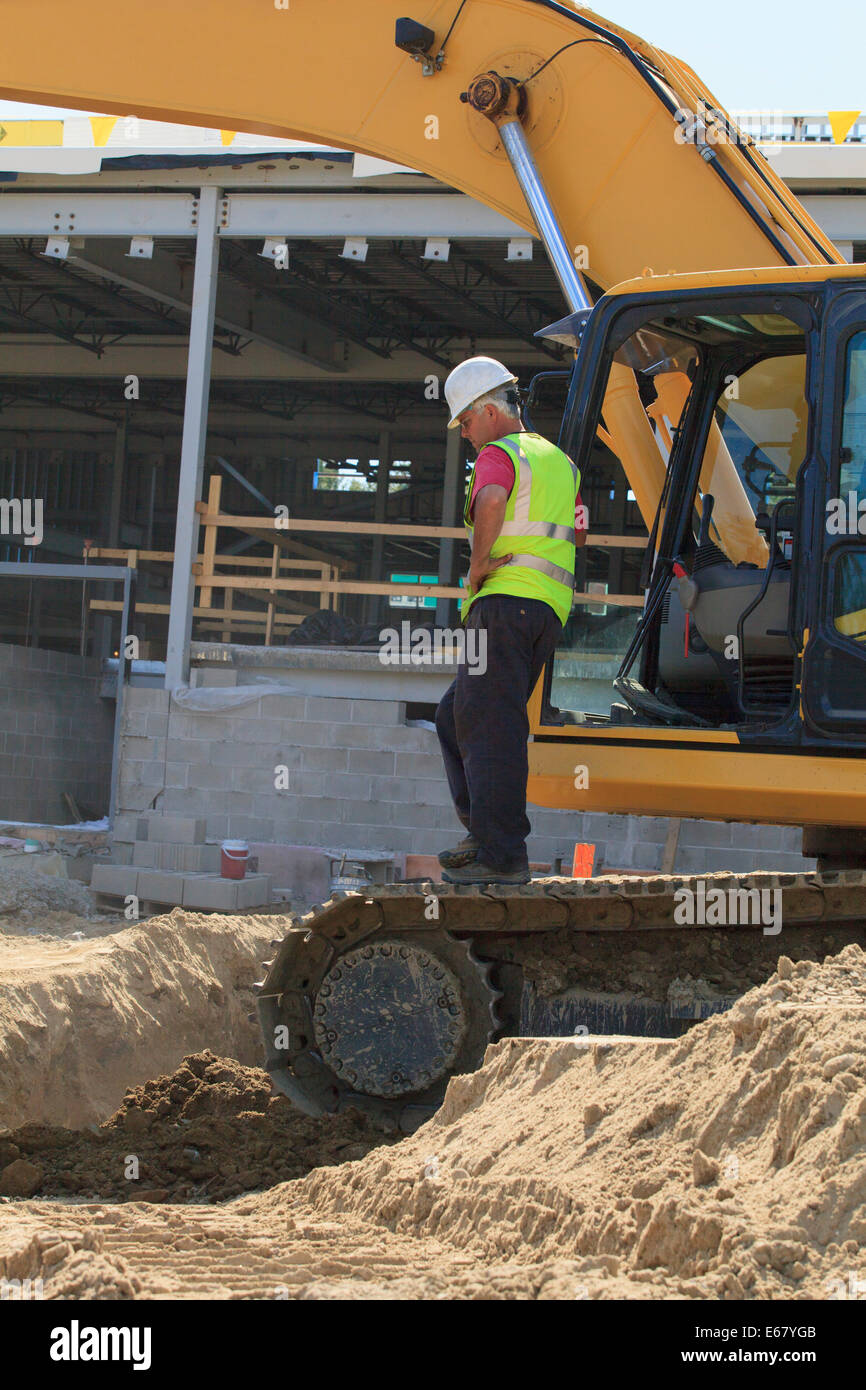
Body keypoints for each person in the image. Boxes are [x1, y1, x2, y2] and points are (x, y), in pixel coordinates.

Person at [434, 356, 585, 884]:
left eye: (467, 422)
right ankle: (485, 832)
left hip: (503, 603)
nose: (467, 435)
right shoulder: (562, 464)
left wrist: (478, 564)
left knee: (489, 724)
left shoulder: (500, 455)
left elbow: (493, 500)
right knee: (457, 714)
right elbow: (577, 531)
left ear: (490, 411)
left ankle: (501, 855)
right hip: (544, 613)